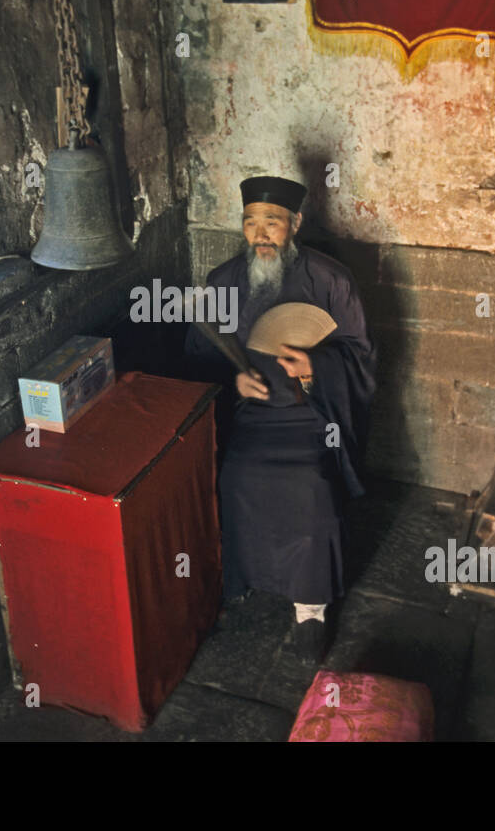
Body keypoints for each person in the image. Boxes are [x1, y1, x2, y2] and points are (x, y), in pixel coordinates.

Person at [184, 175, 376, 664]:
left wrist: (317, 366)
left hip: (314, 414)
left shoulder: (330, 279)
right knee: (235, 477)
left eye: (272, 222)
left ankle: (310, 606)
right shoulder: (225, 280)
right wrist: (233, 385)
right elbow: (200, 355)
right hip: (253, 415)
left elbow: (362, 355)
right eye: (251, 223)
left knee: (310, 485)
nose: (261, 234)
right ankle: (244, 578)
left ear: (295, 224)